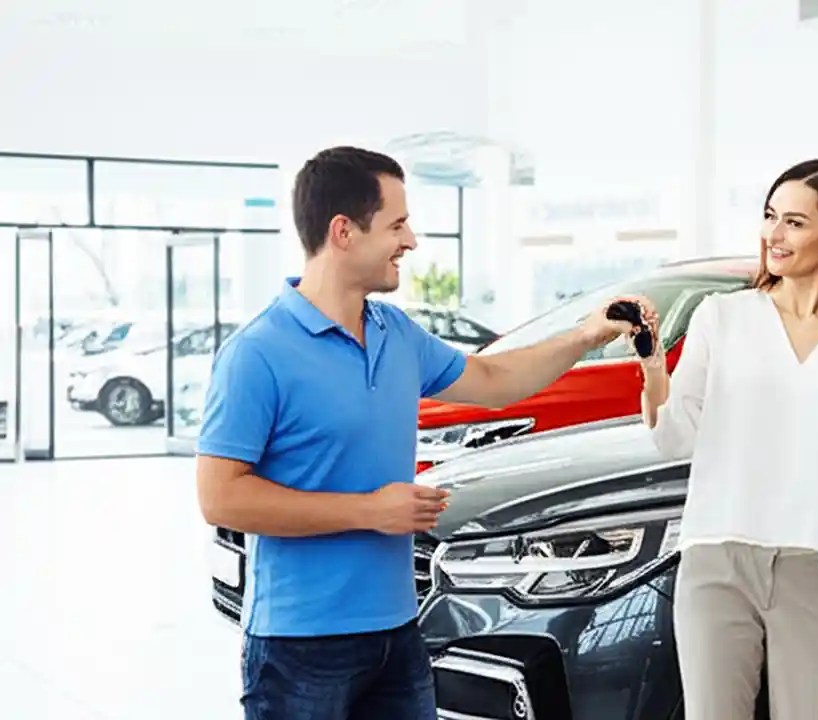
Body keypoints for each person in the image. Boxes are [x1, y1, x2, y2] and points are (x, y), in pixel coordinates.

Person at [194, 146, 648, 720]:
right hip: (299, 646)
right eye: (397, 224)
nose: (411, 241)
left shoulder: (395, 332)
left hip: (399, 633)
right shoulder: (257, 353)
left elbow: (492, 379)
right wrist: (368, 511)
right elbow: (221, 497)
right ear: (344, 232)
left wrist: (585, 335)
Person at [637, 159, 818, 720]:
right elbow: (674, 437)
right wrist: (652, 369)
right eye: (769, 217)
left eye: (793, 222)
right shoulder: (723, 316)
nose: (773, 235)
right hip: (717, 555)